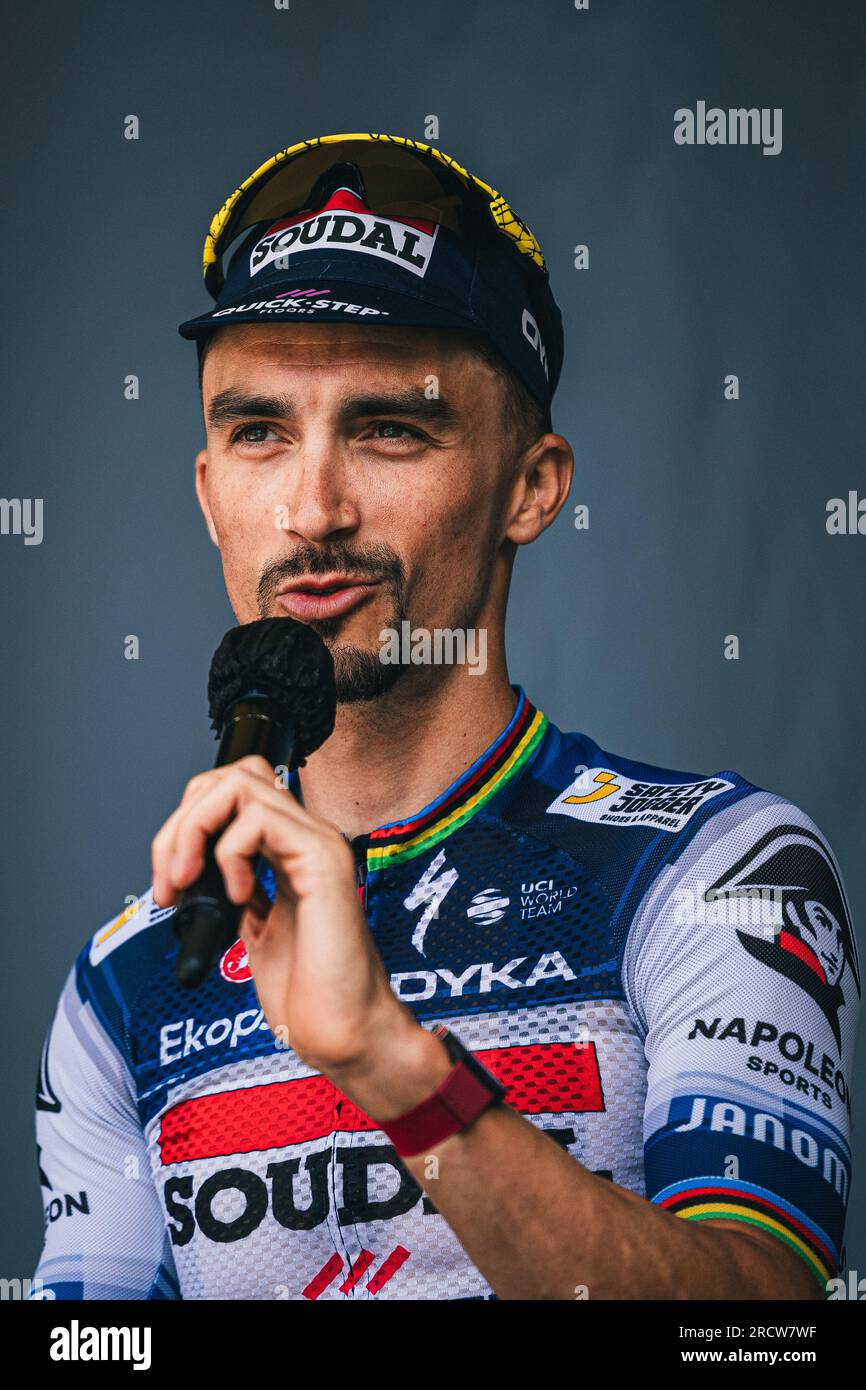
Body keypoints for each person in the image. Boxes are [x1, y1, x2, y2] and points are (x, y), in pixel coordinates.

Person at [31, 133, 859, 1301]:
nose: (311, 509)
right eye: (258, 430)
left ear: (531, 485)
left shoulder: (718, 869)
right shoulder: (126, 979)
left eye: (389, 429)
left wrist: (390, 1061)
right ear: (210, 489)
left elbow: (759, 1328)